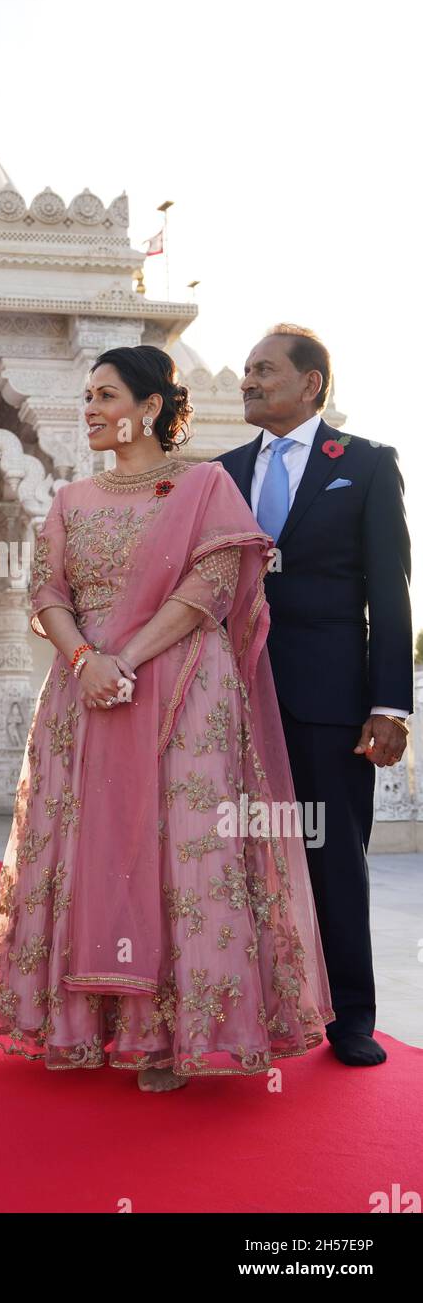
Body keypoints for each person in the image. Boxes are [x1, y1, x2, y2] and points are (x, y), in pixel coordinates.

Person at [0, 345, 334, 1091]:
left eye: (106, 395)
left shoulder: (202, 488)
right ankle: (93, 1023)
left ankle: (171, 1034)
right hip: (87, 691)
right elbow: (47, 595)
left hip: (181, 688)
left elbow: (212, 586)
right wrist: (86, 663)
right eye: (87, 396)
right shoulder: (73, 500)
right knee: (88, 845)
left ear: (148, 408)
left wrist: (125, 659)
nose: (92, 410)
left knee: (184, 846)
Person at [217, 324, 413, 1067]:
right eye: (244, 371)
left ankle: (351, 1018)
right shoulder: (221, 472)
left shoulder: (363, 466)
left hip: (329, 702)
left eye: (264, 371)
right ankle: (254, 1006)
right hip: (231, 698)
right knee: (235, 853)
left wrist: (390, 705)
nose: (249, 381)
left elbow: (390, 592)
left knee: (333, 857)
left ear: (311, 385)